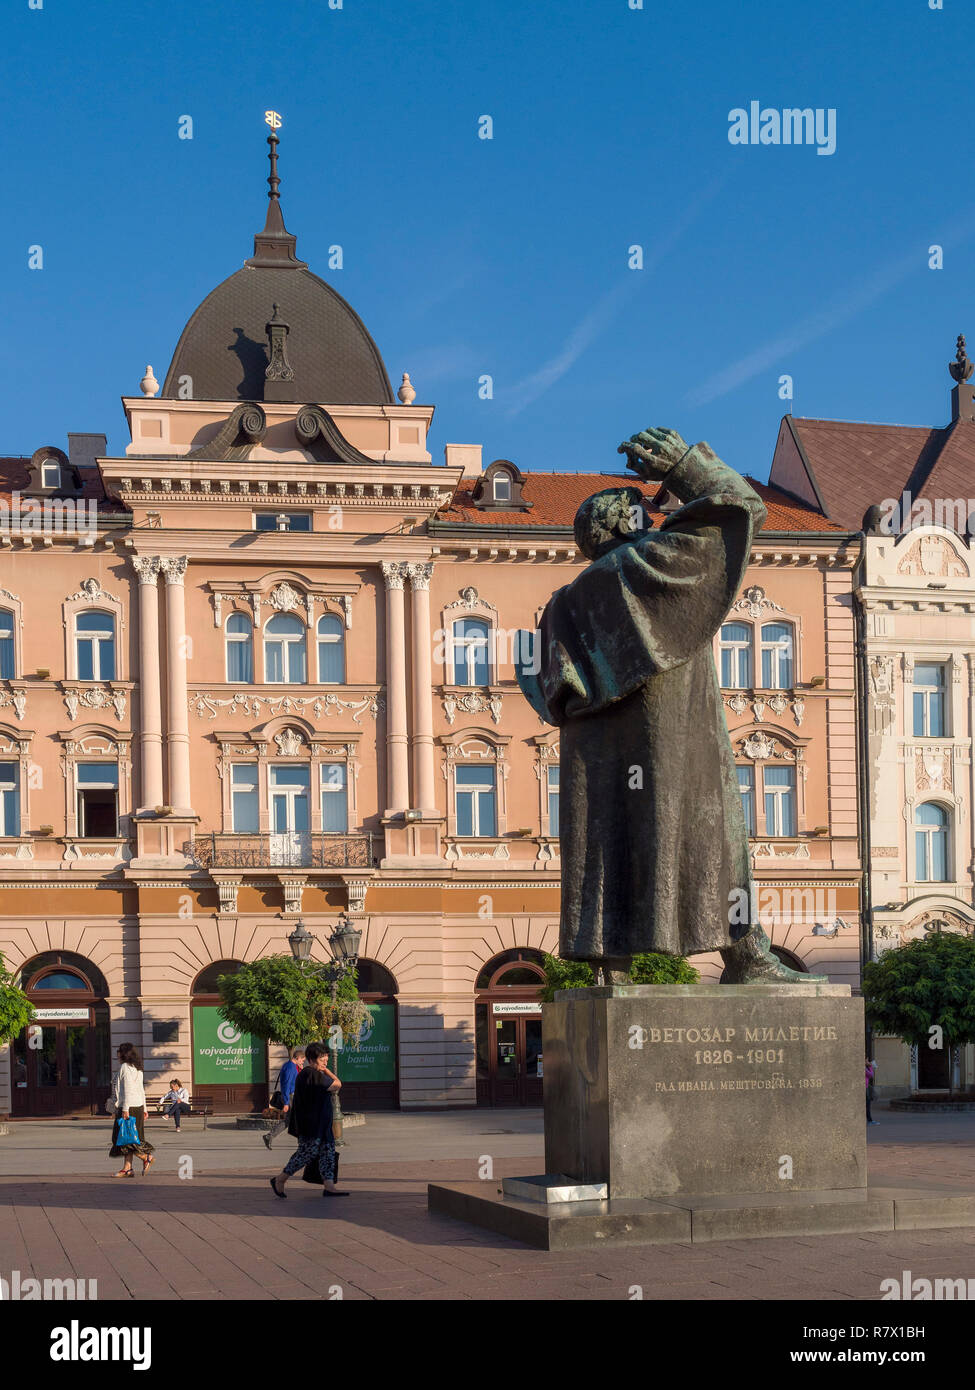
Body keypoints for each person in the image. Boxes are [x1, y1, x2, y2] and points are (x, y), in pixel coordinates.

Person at [269, 1042, 348, 1198]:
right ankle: (280, 1179)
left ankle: (329, 1186)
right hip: (311, 1125)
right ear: (311, 1060)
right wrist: (328, 1071)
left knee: (328, 1153)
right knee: (306, 1153)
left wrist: (324, 1070)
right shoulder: (310, 1074)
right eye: (322, 1059)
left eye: (326, 1058)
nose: (325, 1061)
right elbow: (337, 1084)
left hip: (322, 1124)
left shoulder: (313, 1073)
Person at [110, 1043, 155, 1176]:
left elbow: (128, 1090)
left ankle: (146, 1158)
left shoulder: (125, 1067)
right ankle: (127, 1168)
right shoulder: (138, 1068)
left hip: (129, 1108)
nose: (117, 1053)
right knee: (130, 1138)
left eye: (119, 1051)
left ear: (124, 1053)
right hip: (138, 1107)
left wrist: (125, 1109)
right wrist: (145, 1108)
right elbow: (141, 1090)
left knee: (124, 1139)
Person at [263, 1047, 304, 1151]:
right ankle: (302, 1143)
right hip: (290, 1096)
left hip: (291, 1096)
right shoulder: (291, 1068)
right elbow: (286, 1085)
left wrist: (301, 1069)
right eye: (302, 1060)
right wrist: (286, 1103)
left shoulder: (288, 1065)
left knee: (289, 1120)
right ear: (298, 1058)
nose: (302, 1062)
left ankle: (269, 1136)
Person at [866, 1057, 879, 1124]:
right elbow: (871, 1075)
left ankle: (869, 1119)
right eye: (867, 1060)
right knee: (867, 1104)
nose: (868, 1061)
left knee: (867, 1103)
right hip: (865, 1088)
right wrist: (870, 1066)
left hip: (866, 1086)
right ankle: (869, 1120)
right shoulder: (864, 1068)